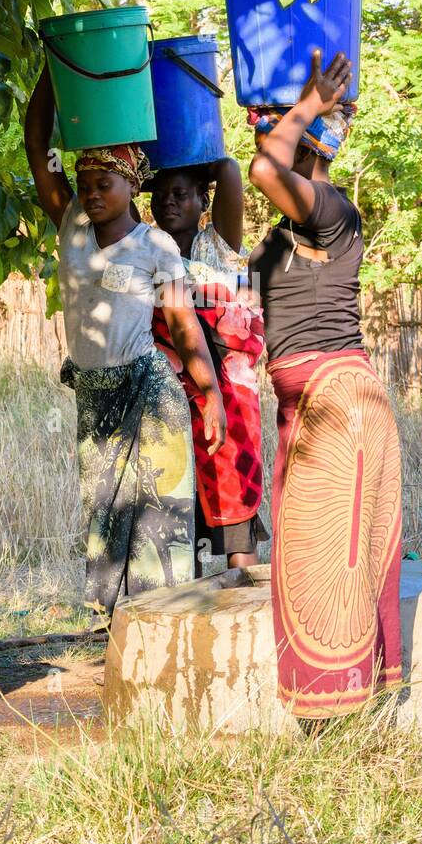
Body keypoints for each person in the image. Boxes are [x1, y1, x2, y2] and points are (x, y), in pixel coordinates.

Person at [25, 66, 227, 618]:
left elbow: (184, 326)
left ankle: (165, 623)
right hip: (95, 397)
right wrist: (54, 73)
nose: (91, 194)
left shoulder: (154, 244)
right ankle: (118, 629)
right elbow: (36, 146)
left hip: (150, 392)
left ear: (130, 185)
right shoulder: (70, 226)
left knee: (158, 513)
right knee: (106, 511)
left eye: (103, 185)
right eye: (85, 185)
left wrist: (209, 396)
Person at [248, 50, 403, 721]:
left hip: (335, 405)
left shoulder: (330, 209)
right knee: (335, 554)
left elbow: (261, 167)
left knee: (328, 556)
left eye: (287, 126)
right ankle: (349, 715)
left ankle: (336, 722)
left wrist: (311, 104)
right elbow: (251, 173)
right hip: (330, 402)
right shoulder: (291, 231)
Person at [149, 159, 267, 574]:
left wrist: (185, 138)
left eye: (180, 194)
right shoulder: (144, 251)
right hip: (172, 403)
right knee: (181, 521)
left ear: (203, 199)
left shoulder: (216, 246)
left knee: (234, 512)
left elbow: (231, 170)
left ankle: (246, 613)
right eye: (159, 196)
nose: (168, 203)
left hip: (228, 403)